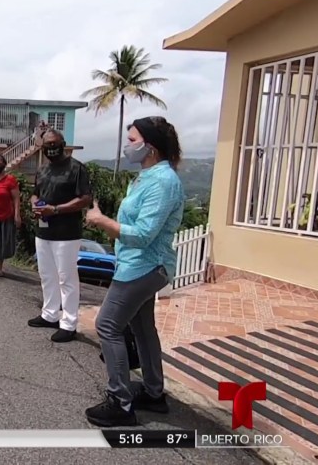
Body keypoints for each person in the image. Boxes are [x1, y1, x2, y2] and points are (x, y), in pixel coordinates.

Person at [83, 116, 185, 427]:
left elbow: (143, 234)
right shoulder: (147, 176)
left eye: (132, 140)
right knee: (142, 328)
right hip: (138, 264)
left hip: (143, 266)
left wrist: (101, 222)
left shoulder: (164, 182)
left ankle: (120, 402)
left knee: (108, 325)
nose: (127, 146)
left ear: (149, 147)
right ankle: (153, 393)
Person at [27, 127, 93, 343]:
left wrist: (55, 210)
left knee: (67, 278)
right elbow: (35, 193)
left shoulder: (77, 169)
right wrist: (34, 203)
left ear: (63, 144)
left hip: (67, 234)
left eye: (55, 144)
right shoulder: (43, 169)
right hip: (43, 230)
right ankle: (49, 314)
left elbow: (84, 199)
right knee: (47, 275)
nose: (51, 149)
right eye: (47, 146)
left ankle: (69, 323)